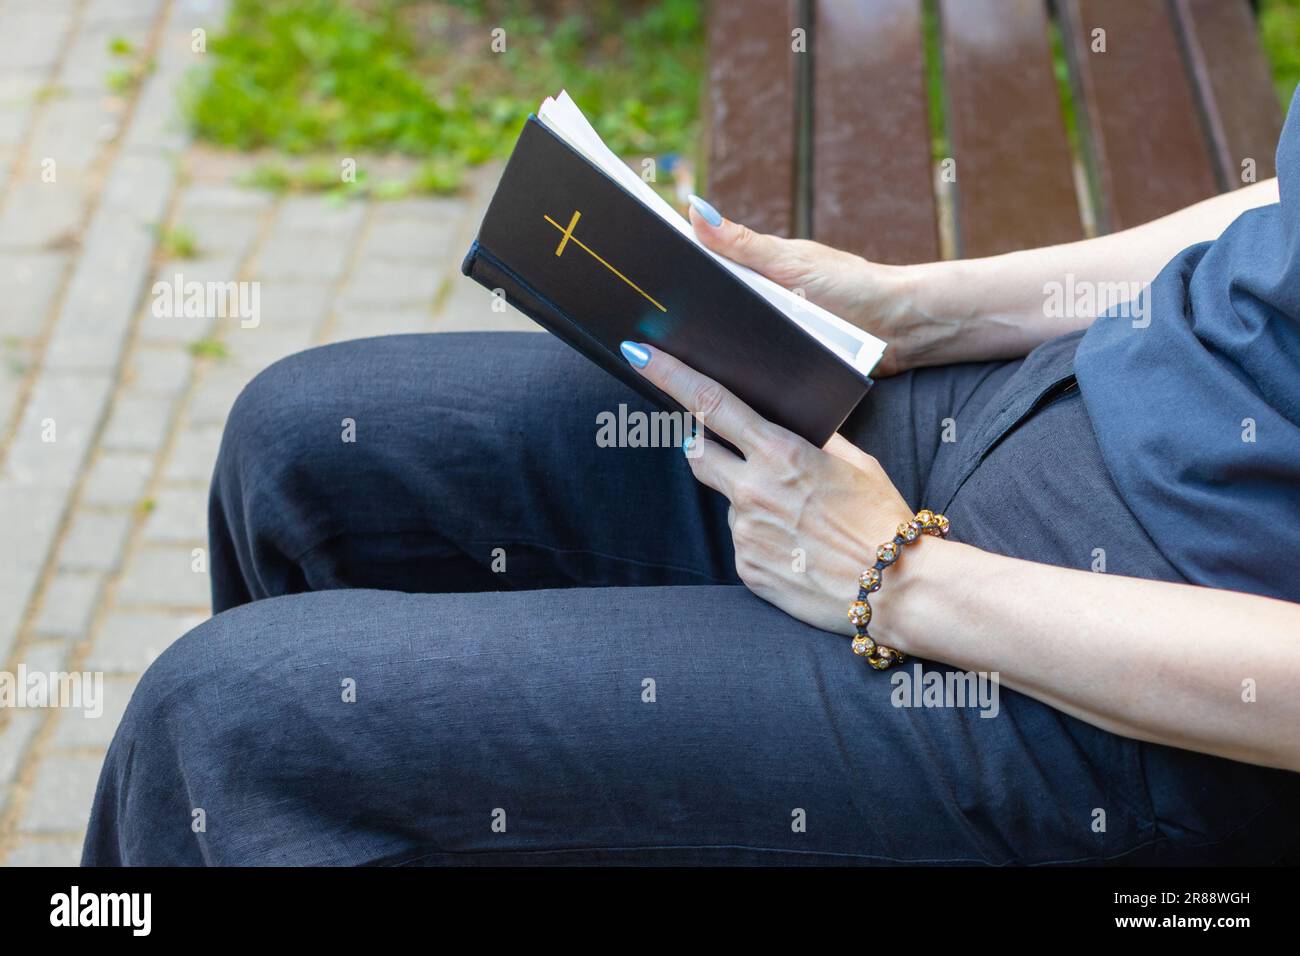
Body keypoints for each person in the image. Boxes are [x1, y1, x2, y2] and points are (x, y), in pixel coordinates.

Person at [82, 100, 1300, 868]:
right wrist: (912, 308)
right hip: (1027, 400)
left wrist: (903, 578)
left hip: (1108, 695)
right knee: (310, 446)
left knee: (231, 725)